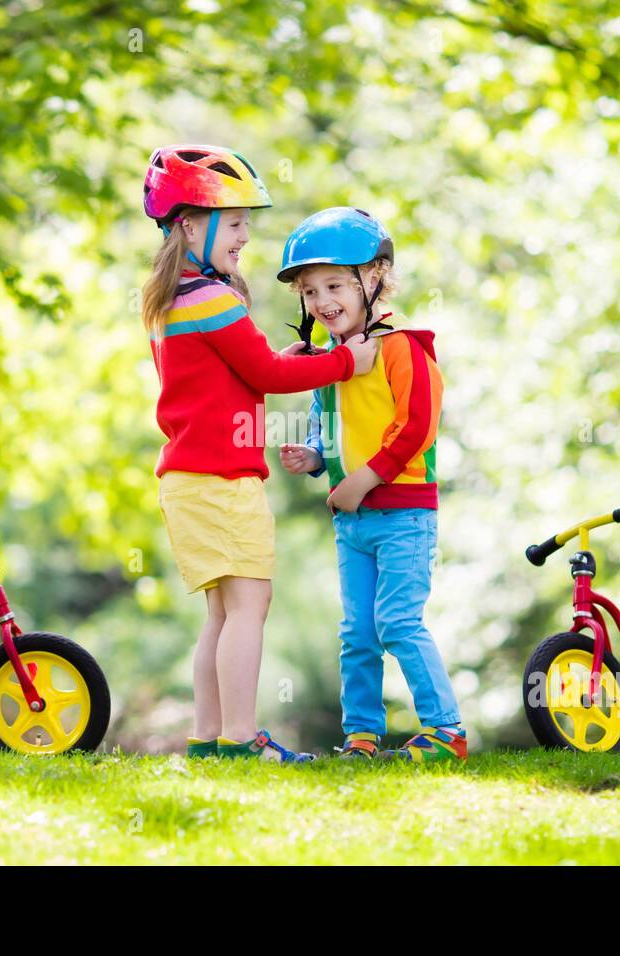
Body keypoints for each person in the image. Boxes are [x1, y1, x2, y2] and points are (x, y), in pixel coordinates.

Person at [141, 149, 378, 762]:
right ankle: (242, 741)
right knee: (249, 604)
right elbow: (266, 374)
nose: (246, 235)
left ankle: (212, 741)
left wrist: (289, 360)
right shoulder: (212, 298)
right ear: (190, 225)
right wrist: (348, 359)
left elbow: (237, 373)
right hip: (218, 478)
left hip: (193, 478)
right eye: (236, 220)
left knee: (223, 611)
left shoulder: (178, 300)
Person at [277, 207, 465, 762]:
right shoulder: (333, 361)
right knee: (357, 633)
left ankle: (445, 729)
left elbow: (418, 426)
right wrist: (314, 457)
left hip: (404, 514)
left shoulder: (403, 346)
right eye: (310, 292)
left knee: (398, 623)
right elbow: (327, 427)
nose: (322, 301)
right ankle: (361, 734)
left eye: (334, 284)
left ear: (375, 277)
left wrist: (362, 479)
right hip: (353, 522)